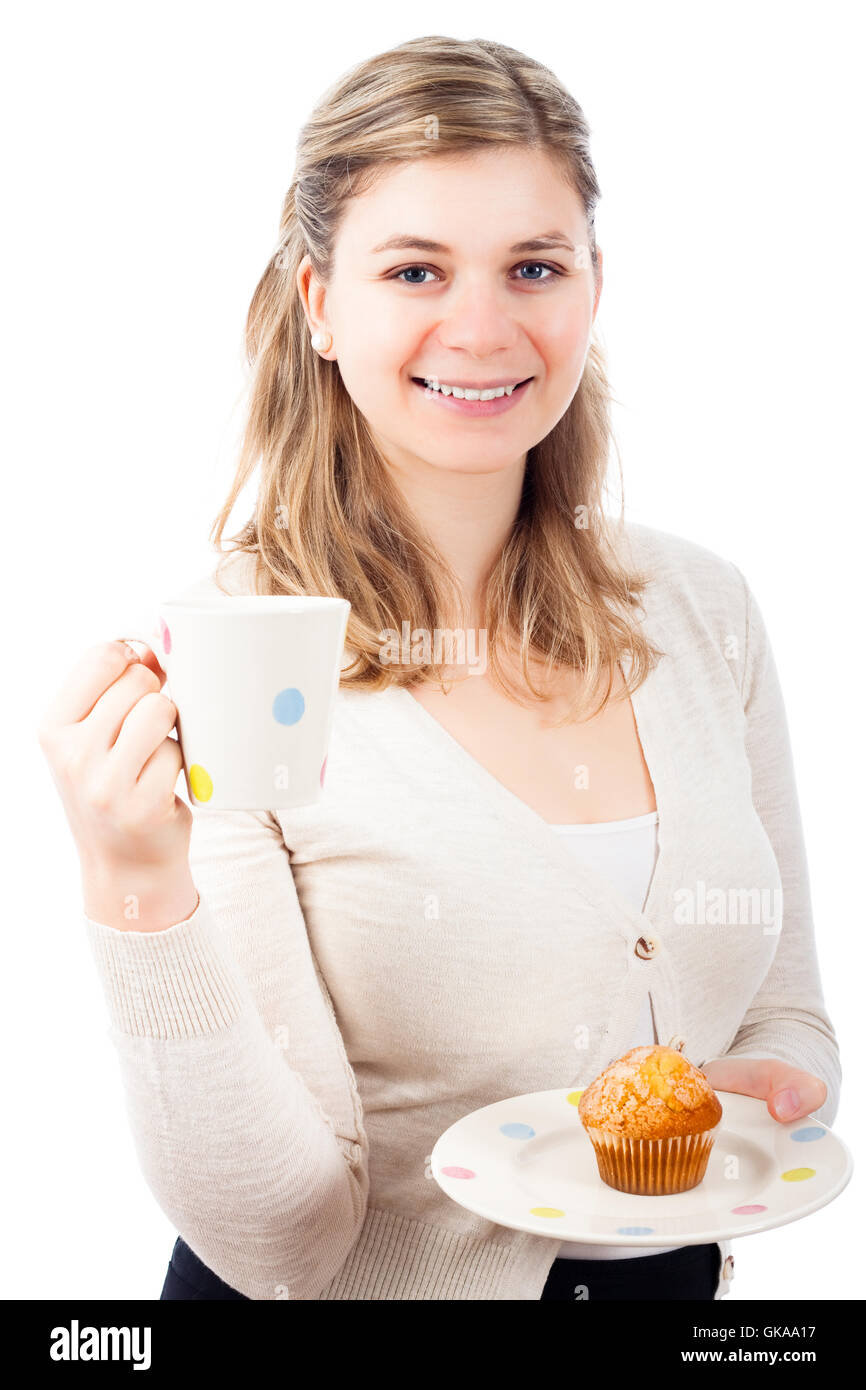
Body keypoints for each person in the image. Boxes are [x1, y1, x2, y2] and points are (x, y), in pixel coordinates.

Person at [37, 35, 839, 1302]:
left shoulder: (701, 611)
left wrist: (751, 1096)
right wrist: (136, 890)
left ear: (590, 287)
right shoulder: (234, 662)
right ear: (317, 305)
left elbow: (782, 1019)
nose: (482, 327)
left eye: (533, 266)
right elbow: (276, 1245)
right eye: (414, 269)